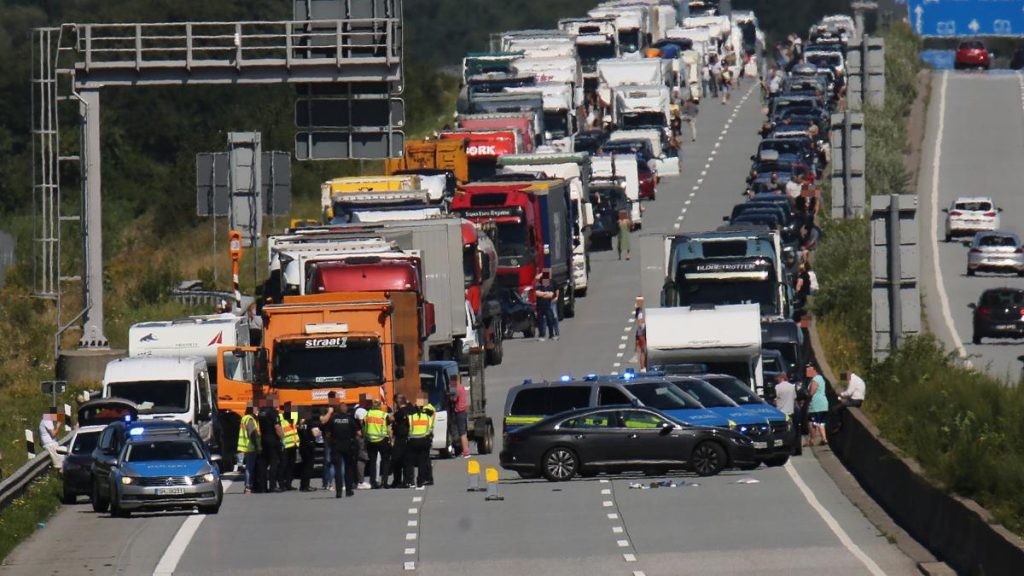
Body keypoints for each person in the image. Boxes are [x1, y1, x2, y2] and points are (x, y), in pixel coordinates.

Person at [321, 392, 359, 498]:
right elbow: (358, 433)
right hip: (348, 446)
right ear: (345, 410)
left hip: (336, 445)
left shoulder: (333, 419)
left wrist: (330, 441)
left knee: (337, 468)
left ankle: (338, 492)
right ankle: (348, 490)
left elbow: (327, 433)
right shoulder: (350, 419)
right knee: (348, 468)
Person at [257, 395, 284, 493]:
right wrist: (282, 437)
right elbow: (277, 427)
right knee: (274, 462)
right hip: (272, 439)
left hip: (263, 438)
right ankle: (272, 486)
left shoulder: (261, 412)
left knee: (263, 463)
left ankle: (263, 487)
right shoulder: (273, 412)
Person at [405, 399, 435, 488]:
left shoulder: (411, 417)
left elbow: (408, 428)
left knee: (410, 461)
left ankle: (410, 480)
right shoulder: (427, 417)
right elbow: (430, 429)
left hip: (413, 441)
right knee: (422, 462)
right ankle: (420, 481)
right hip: (424, 440)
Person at [363, 399, 392, 489]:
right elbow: (389, 429)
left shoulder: (367, 414)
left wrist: (365, 438)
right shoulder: (384, 415)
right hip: (382, 440)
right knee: (386, 461)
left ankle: (373, 482)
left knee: (372, 462)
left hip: (370, 440)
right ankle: (385, 482)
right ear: (380, 406)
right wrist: (391, 439)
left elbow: (364, 427)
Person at [772, 372, 801, 456]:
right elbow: (794, 398)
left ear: (780, 378)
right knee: (792, 430)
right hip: (790, 411)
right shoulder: (791, 387)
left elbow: (775, 400)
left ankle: (782, 447)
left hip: (780, 413)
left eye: (776, 379)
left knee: (781, 431)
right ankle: (793, 447)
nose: (775, 380)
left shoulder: (777, 387)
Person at [237, 403, 261, 494]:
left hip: (248, 447)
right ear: (251, 409)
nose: (257, 409)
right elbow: (252, 434)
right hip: (250, 447)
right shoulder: (250, 419)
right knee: (250, 468)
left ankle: (249, 486)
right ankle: (248, 487)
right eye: (256, 408)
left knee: (249, 467)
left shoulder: (246, 418)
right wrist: (256, 446)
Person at [390, 394, 412, 488]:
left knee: (397, 460)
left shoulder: (400, 412)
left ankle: (398, 481)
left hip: (401, 438)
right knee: (407, 461)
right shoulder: (411, 410)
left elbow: (391, 419)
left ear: (397, 403)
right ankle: (408, 480)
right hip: (410, 437)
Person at [277, 403, 299, 491]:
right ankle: (281, 484)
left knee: (291, 465)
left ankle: (289, 484)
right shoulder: (280, 418)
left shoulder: (292, 418)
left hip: (293, 444)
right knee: (283, 465)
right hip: (285, 445)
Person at [806, 365, 829, 447]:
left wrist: (806, 396)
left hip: (816, 404)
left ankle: (812, 440)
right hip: (823, 404)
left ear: (814, 370)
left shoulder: (815, 379)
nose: (807, 372)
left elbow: (812, 392)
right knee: (821, 423)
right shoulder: (821, 378)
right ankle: (824, 438)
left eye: (809, 370)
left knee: (812, 423)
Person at [450, 374, 471, 458]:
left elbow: (454, 399)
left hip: (459, 412)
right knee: (464, 433)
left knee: (461, 433)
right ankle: (466, 450)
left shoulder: (457, 388)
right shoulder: (461, 387)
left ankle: (466, 452)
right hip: (463, 411)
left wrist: (450, 396)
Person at [534, 273, 559, 341]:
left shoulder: (550, 286)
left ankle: (552, 335)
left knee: (550, 320)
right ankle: (541, 335)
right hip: (540, 307)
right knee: (540, 321)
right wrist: (545, 293)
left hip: (548, 307)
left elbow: (551, 295)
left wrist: (542, 294)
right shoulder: (539, 285)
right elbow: (536, 293)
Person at [295, 413, 317, 492]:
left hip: (302, 445)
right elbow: (315, 433)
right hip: (309, 445)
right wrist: (319, 432)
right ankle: (306, 485)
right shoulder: (311, 422)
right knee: (309, 466)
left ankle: (303, 485)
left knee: (304, 465)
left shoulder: (300, 423)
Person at [353, 400, 371, 490]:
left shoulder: (358, 409)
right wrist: (364, 435)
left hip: (358, 437)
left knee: (359, 458)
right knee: (362, 459)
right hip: (360, 438)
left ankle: (356, 481)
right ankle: (360, 482)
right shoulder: (360, 410)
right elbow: (361, 423)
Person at [634, 296, 647, 371]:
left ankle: (643, 367)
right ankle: (643, 367)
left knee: (643, 350)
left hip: (639, 333)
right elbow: (640, 323)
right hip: (641, 333)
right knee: (643, 351)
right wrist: (644, 325)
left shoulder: (639, 310)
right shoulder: (640, 311)